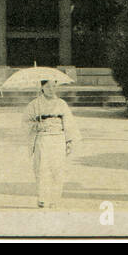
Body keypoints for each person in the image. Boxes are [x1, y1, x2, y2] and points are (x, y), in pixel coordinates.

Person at [24, 79, 81, 208]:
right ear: (42, 87)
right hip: (43, 138)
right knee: (41, 167)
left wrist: (69, 140)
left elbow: (69, 123)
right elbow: (26, 121)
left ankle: (55, 198)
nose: (51, 89)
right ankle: (42, 197)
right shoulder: (35, 104)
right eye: (48, 86)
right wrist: (35, 125)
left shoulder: (61, 104)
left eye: (53, 86)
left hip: (58, 137)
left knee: (58, 168)